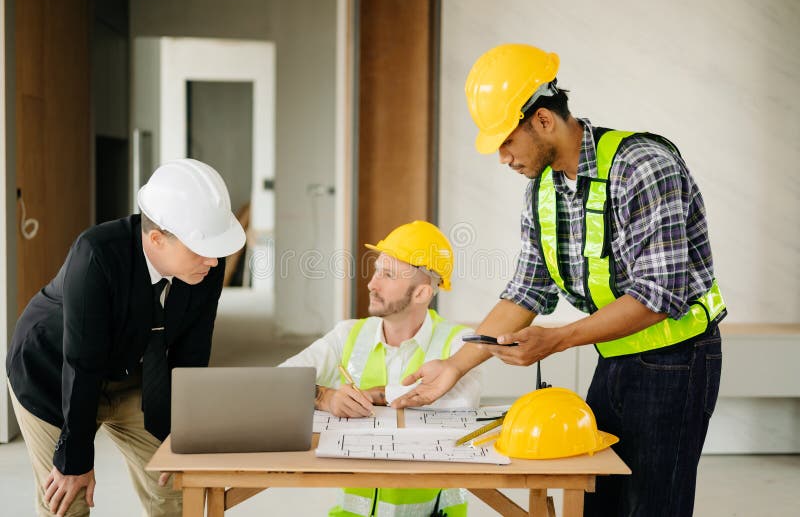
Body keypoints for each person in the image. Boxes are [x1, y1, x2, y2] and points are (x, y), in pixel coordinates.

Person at [392, 44, 727, 517]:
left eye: (507, 141)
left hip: (678, 359)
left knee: (651, 503)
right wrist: (454, 366)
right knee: (598, 495)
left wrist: (558, 340)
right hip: (614, 355)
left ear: (544, 120)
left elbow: (658, 296)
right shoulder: (545, 188)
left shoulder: (642, 167)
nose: (503, 158)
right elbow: (528, 289)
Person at [6, 159, 245, 517]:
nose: (213, 262)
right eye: (200, 249)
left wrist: (181, 433)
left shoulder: (206, 266)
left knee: (177, 486)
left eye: (215, 249)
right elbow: (81, 364)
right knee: (67, 499)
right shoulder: (97, 256)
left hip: (131, 372)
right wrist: (75, 459)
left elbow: (192, 354)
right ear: (156, 239)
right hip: (52, 373)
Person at [281, 220, 481, 517]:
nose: (371, 284)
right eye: (376, 270)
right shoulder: (348, 334)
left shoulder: (458, 343)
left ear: (421, 294)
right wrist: (325, 397)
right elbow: (279, 379)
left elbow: (463, 401)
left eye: (387, 275)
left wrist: (378, 394)